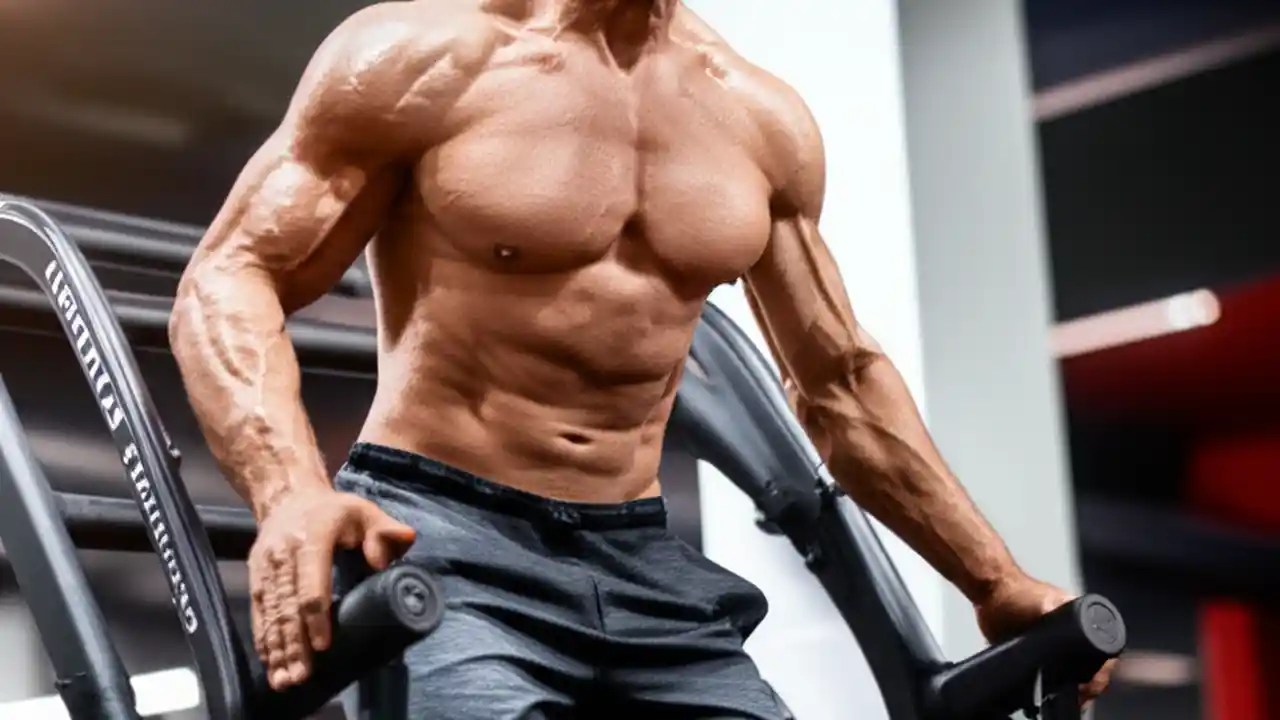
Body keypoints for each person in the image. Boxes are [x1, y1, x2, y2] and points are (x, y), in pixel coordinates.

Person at [169, 1, 1114, 717]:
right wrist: (289, 492)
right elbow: (230, 276)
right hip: (441, 541)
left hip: (647, 567)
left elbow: (839, 382)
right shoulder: (425, 57)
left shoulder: (757, 116)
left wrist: (993, 581)